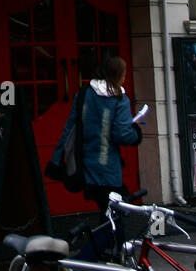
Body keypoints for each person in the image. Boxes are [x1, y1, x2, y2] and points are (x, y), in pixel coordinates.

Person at [49, 54, 143, 210]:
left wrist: (56, 161)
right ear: (117, 75)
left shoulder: (84, 93)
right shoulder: (120, 98)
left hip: (86, 166)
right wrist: (136, 131)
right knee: (114, 215)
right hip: (108, 168)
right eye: (124, 74)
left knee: (106, 212)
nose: (125, 78)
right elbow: (122, 134)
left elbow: (69, 128)